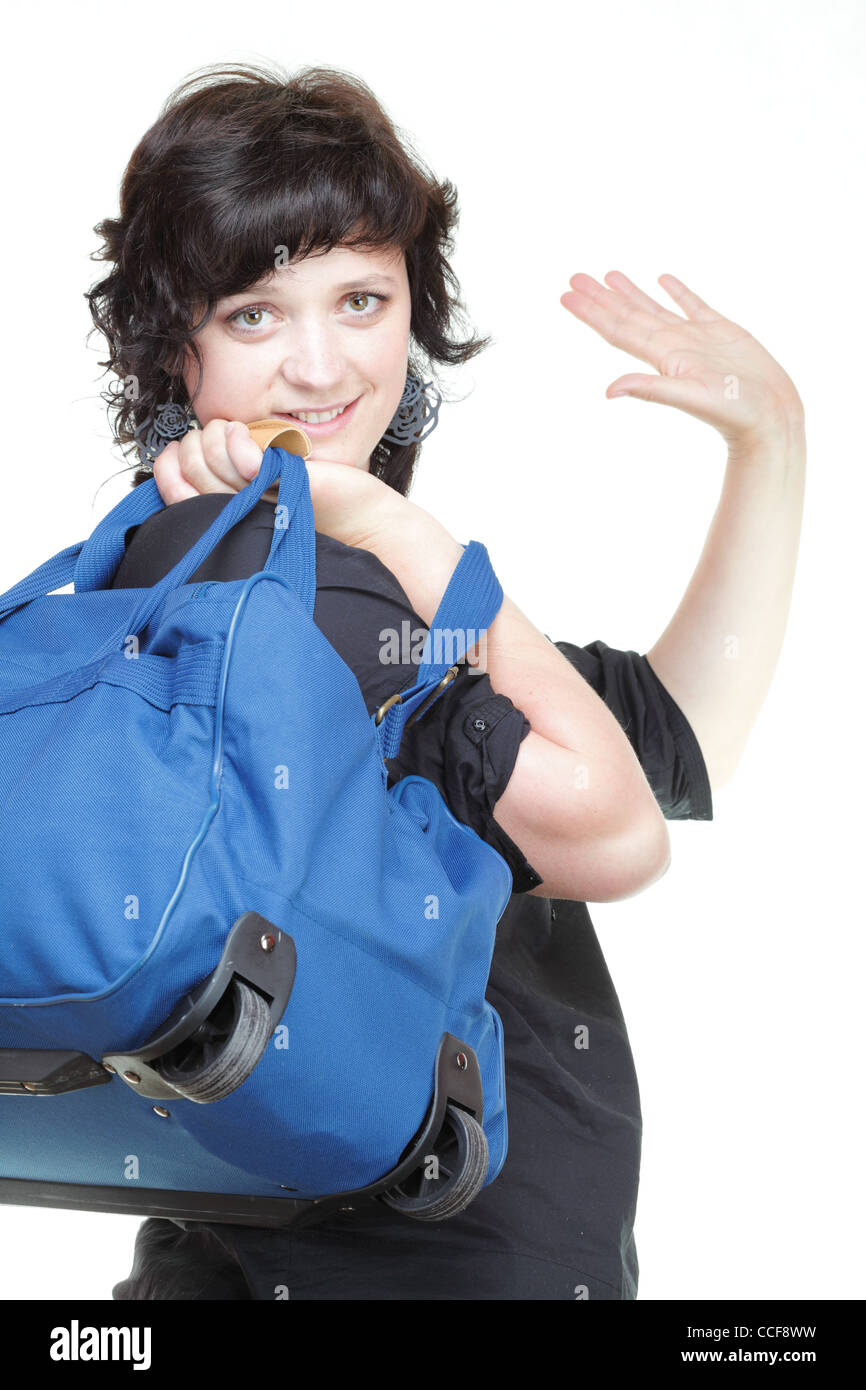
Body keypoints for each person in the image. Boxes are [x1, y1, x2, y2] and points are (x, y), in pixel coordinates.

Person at [89, 61, 806, 1299]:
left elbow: (672, 741)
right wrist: (413, 542)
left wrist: (769, 437)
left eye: (360, 299)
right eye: (254, 313)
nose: (320, 369)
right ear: (175, 346)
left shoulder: (203, 584)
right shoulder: (310, 586)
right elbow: (623, 833)